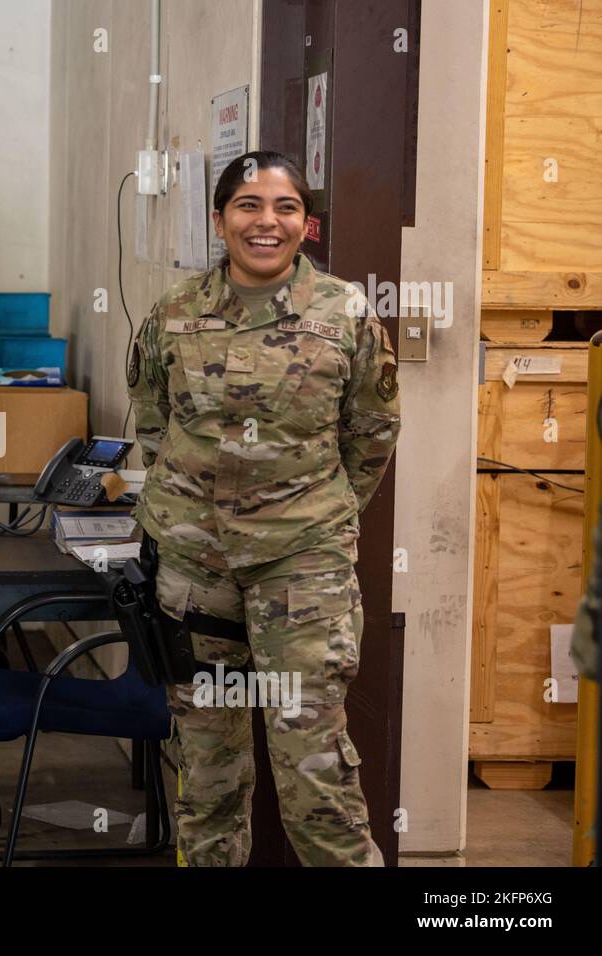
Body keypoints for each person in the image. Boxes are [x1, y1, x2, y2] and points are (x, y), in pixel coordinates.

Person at [128, 150, 401, 866]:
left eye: (284, 208)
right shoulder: (173, 314)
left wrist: (312, 518)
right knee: (208, 775)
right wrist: (192, 515)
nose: (266, 222)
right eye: (248, 205)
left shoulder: (345, 313)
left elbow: (370, 435)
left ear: (307, 225)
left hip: (302, 571)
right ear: (219, 220)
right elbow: (153, 425)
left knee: (316, 774)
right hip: (196, 571)